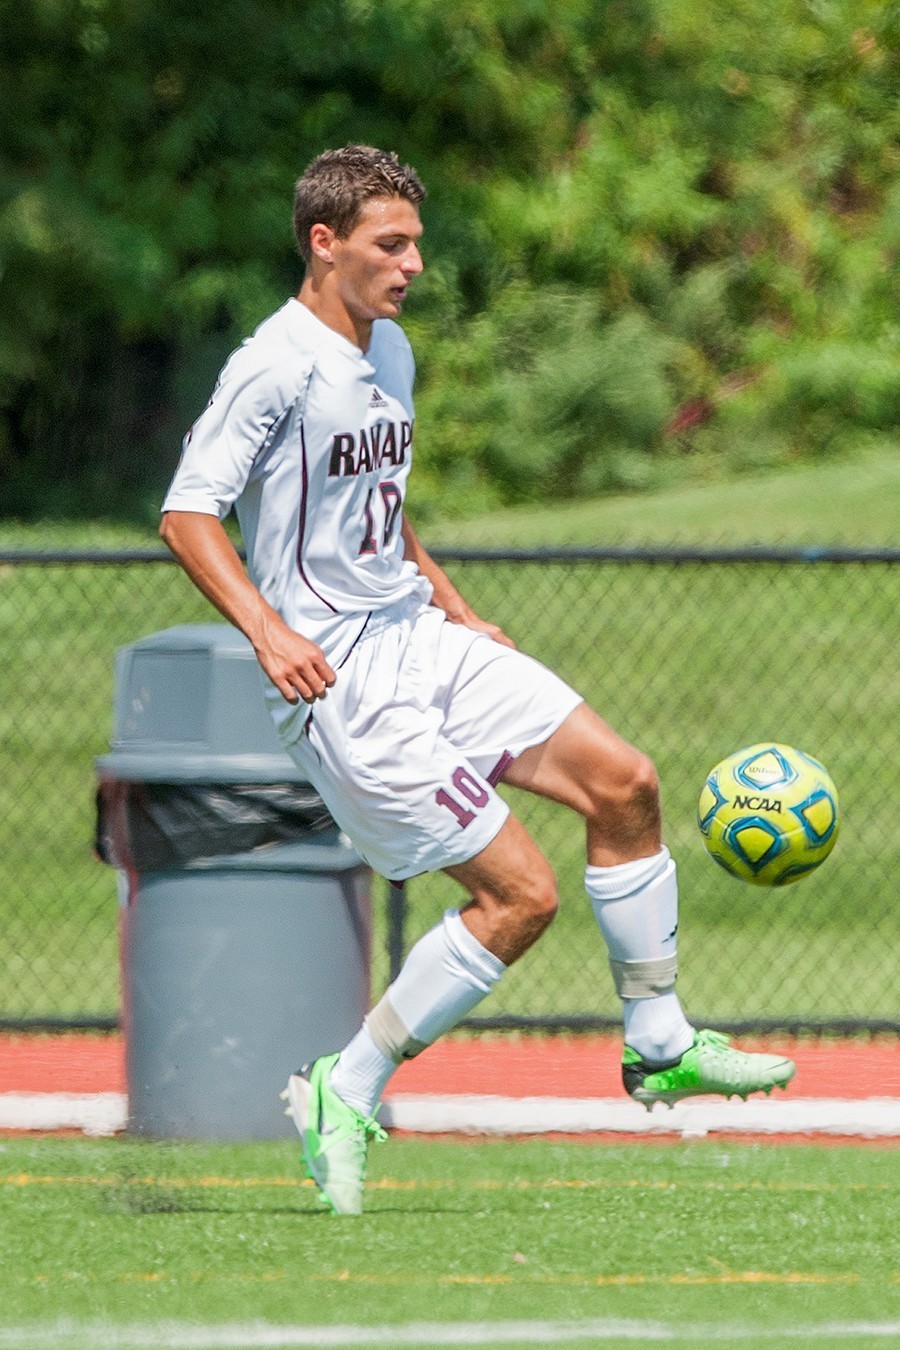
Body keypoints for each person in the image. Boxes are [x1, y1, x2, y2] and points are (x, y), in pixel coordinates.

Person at [160, 144, 796, 1215]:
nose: (412, 265)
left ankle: (658, 1044)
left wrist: (453, 607)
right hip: (343, 682)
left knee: (625, 782)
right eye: (390, 245)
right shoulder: (273, 364)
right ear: (325, 242)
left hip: (419, 635)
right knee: (520, 898)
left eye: (416, 244)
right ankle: (345, 1084)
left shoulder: (390, 350)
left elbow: (382, 501)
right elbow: (187, 513)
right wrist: (269, 634)